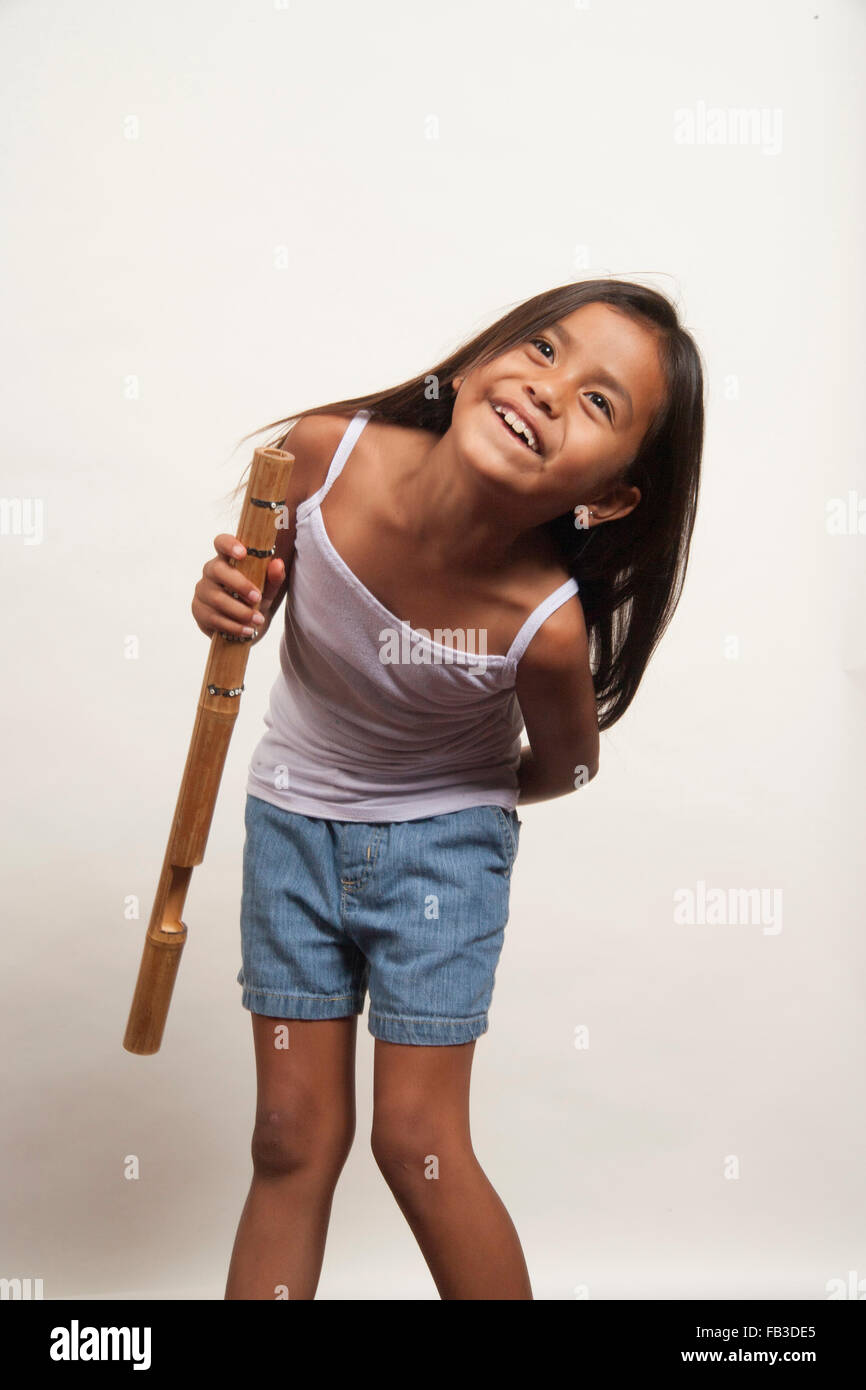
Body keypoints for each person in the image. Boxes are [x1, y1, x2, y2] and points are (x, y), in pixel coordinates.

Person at [191, 278, 705, 1300]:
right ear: (476, 364)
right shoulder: (321, 457)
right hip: (289, 821)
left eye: (601, 402)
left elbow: (565, 765)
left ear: (606, 499)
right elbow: (250, 592)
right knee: (289, 1134)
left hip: (439, 856)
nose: (550, 391)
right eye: (544, 350)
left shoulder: (542, 623)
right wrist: (224, 603)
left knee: (415, 1140)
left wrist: (449, 795)